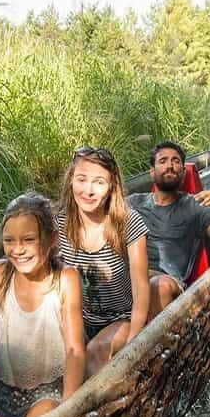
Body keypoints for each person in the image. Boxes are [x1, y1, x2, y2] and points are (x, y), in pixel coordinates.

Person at [0, 193, 85, 417]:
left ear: (52, 239)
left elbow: (74, 348)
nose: (18, 250)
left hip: (46, 392)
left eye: (29, 240)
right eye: (9, 241)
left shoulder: (65, 279)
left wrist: (70, 403)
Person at [58, 146, 150, 376]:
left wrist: (135, 342)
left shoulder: (128, 223)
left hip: (120, 317)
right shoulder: (59, 223)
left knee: (96, 351)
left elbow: (141, 289)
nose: (88, 191)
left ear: (111, 187)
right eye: (82, 180)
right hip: (78, 316)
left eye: (99, 182)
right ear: (71, 181)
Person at [128, 141, 210, 317]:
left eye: (175, 161)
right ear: (152, 171)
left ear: (183, 171)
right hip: (130, 275)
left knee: (159, 286)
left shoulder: (195, 207)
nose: (170, 165)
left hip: (165, 279)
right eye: (163, 161)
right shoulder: (133, 202)